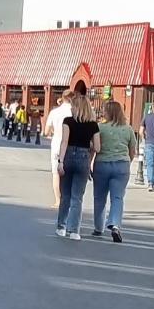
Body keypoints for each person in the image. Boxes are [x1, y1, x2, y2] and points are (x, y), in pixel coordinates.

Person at [89, 99, 139, 243]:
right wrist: (127, 161)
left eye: (104, 110)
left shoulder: (100, 127)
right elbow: (132, 150)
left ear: (109, 112)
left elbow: (95, 147)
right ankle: (115, 224)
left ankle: (98, 228)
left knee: (99, 197)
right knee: (117, 197)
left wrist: (90, 164)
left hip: (102, 165)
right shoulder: (128, 129)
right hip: (121, 165)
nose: (103, 112)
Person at [54, 90, 100, 239]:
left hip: (68, 156)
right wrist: (90, 145)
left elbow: (64, 142)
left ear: (76, 107)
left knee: (65, 195)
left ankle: (61, 226)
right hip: (83, 157)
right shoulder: (93, 125)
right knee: (77, 197)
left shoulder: (68, 121)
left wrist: (60, 161)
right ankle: (74, 230)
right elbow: (98, 147)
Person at [45, 86, 78, 207]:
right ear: (72, 98)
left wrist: (54, 131)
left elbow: (46, 131)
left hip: (57, 144)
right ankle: (69, 200)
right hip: (72, 144)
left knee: (56, 172)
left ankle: (58, 200)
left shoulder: (54, 112)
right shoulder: (75, 112)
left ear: (63, 98)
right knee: (70, 173)